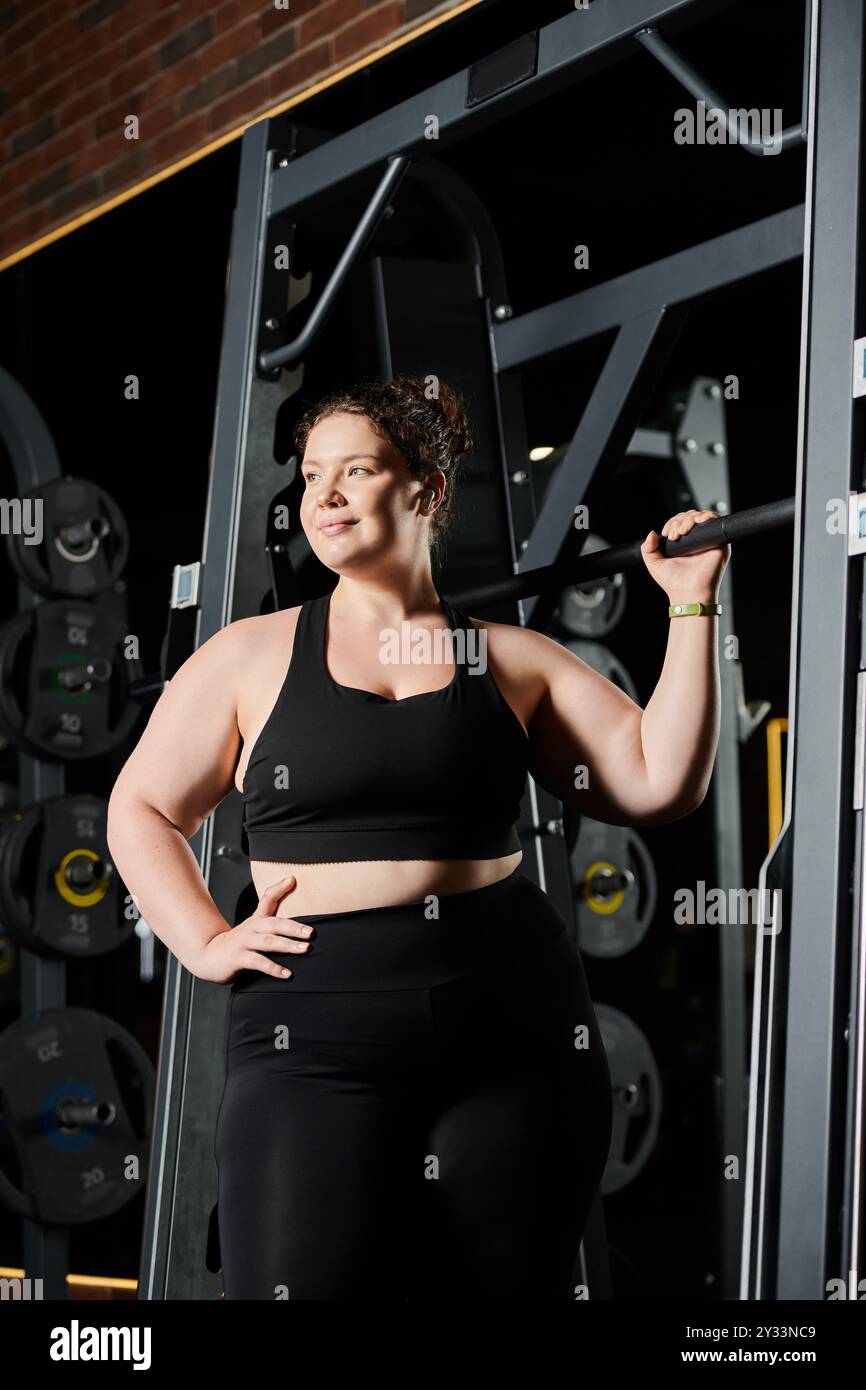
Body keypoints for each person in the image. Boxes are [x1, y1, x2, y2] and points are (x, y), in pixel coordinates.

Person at [106, 376, 729, 1301]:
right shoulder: (249, 656)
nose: (324, 496)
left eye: (357, 470)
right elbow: (140, 810)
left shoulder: (510, 659)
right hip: (313, 1032)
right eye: (314, 475)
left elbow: (659, 781)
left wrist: (688, 604)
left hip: (512, 1022)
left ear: (426, 491)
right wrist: (202, 939)